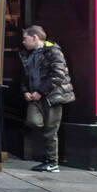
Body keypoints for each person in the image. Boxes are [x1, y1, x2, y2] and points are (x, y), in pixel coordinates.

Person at [19, 25, 75, 172]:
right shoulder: (28, 54)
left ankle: (52, 162)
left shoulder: (53, 52)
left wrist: (40, 91)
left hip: (52, 97)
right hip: (36, 96)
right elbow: (25, 76)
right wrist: (26, 91)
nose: (23, 42)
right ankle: (49, 159)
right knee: (33, 121)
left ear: (35, 37)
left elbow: (58, 75)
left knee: (50, 129)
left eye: (25, 38)